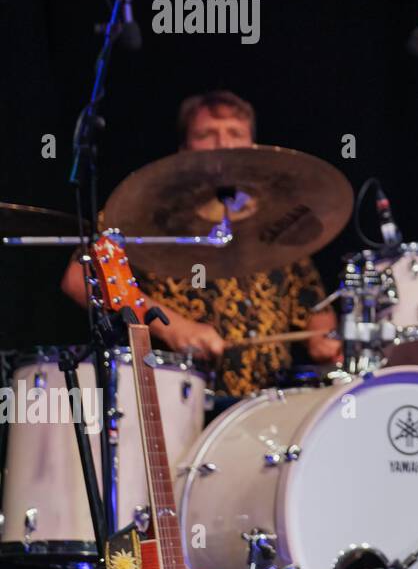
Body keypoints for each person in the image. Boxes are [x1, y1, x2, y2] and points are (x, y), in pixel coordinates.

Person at [60, 90, 342, 397]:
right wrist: (175, 327)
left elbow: (314, 304)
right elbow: (78, 279)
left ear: (253, 147)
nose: (223, 144)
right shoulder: (141, 211)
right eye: (207, 134)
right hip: (177, 395)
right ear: (184, 149)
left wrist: (323, 339)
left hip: (269, 406)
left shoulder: (277, 219)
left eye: (235, 133)